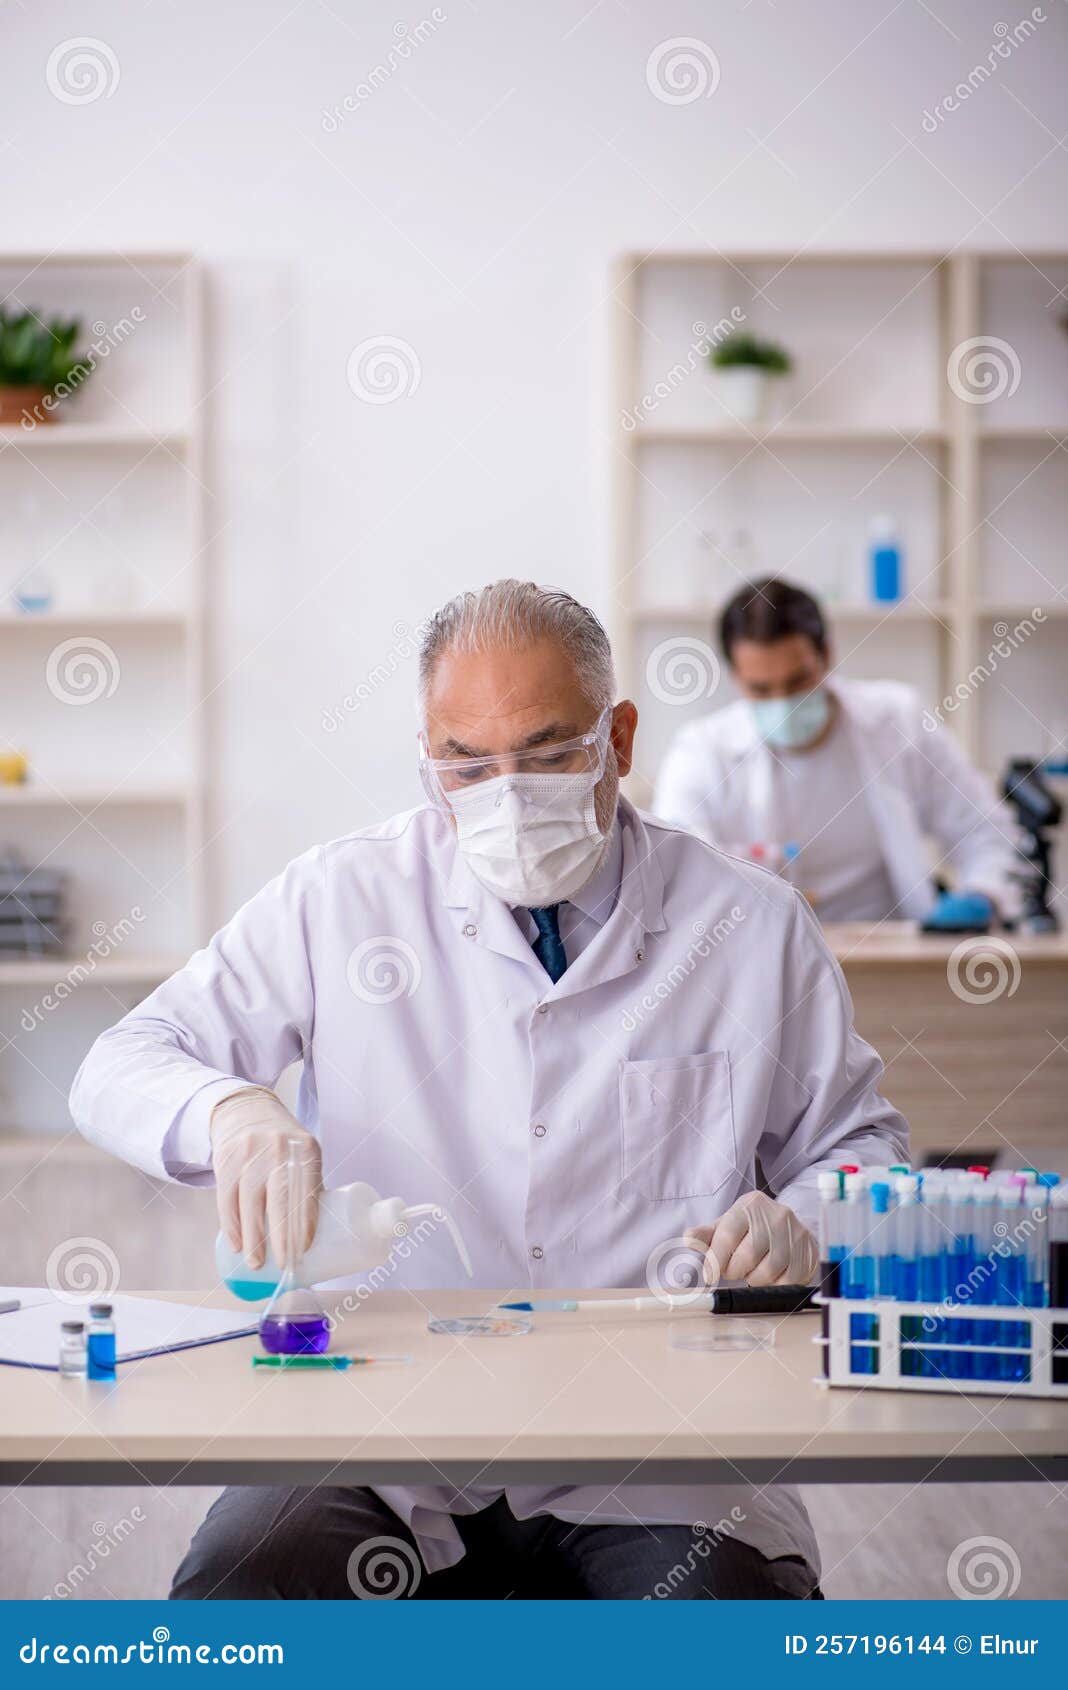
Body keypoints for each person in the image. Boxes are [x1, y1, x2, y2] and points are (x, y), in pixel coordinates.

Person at [71, 579, 907, 1601]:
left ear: (622, 738)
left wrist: (806, 1221)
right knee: (241, 1589)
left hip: (657, 1452)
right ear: (429, 762)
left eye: (552, 753)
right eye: (468, 764)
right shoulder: (343, 898)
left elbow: (865, 1151)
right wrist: (230, 1108)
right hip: (386, 1435)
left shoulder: (750, 925)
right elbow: (119, 1061)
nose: (508, 795)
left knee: (720, 1625)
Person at [653, 578, 1020, 927]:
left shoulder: (900, 721)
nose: (783, 704)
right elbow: (677, 869)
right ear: (735, 677)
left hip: (891, 950)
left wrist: (983, 895)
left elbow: (984, 832)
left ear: (827, 654)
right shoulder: (702, 750)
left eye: (797, 682)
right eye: (761, 690)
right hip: (764, 954)